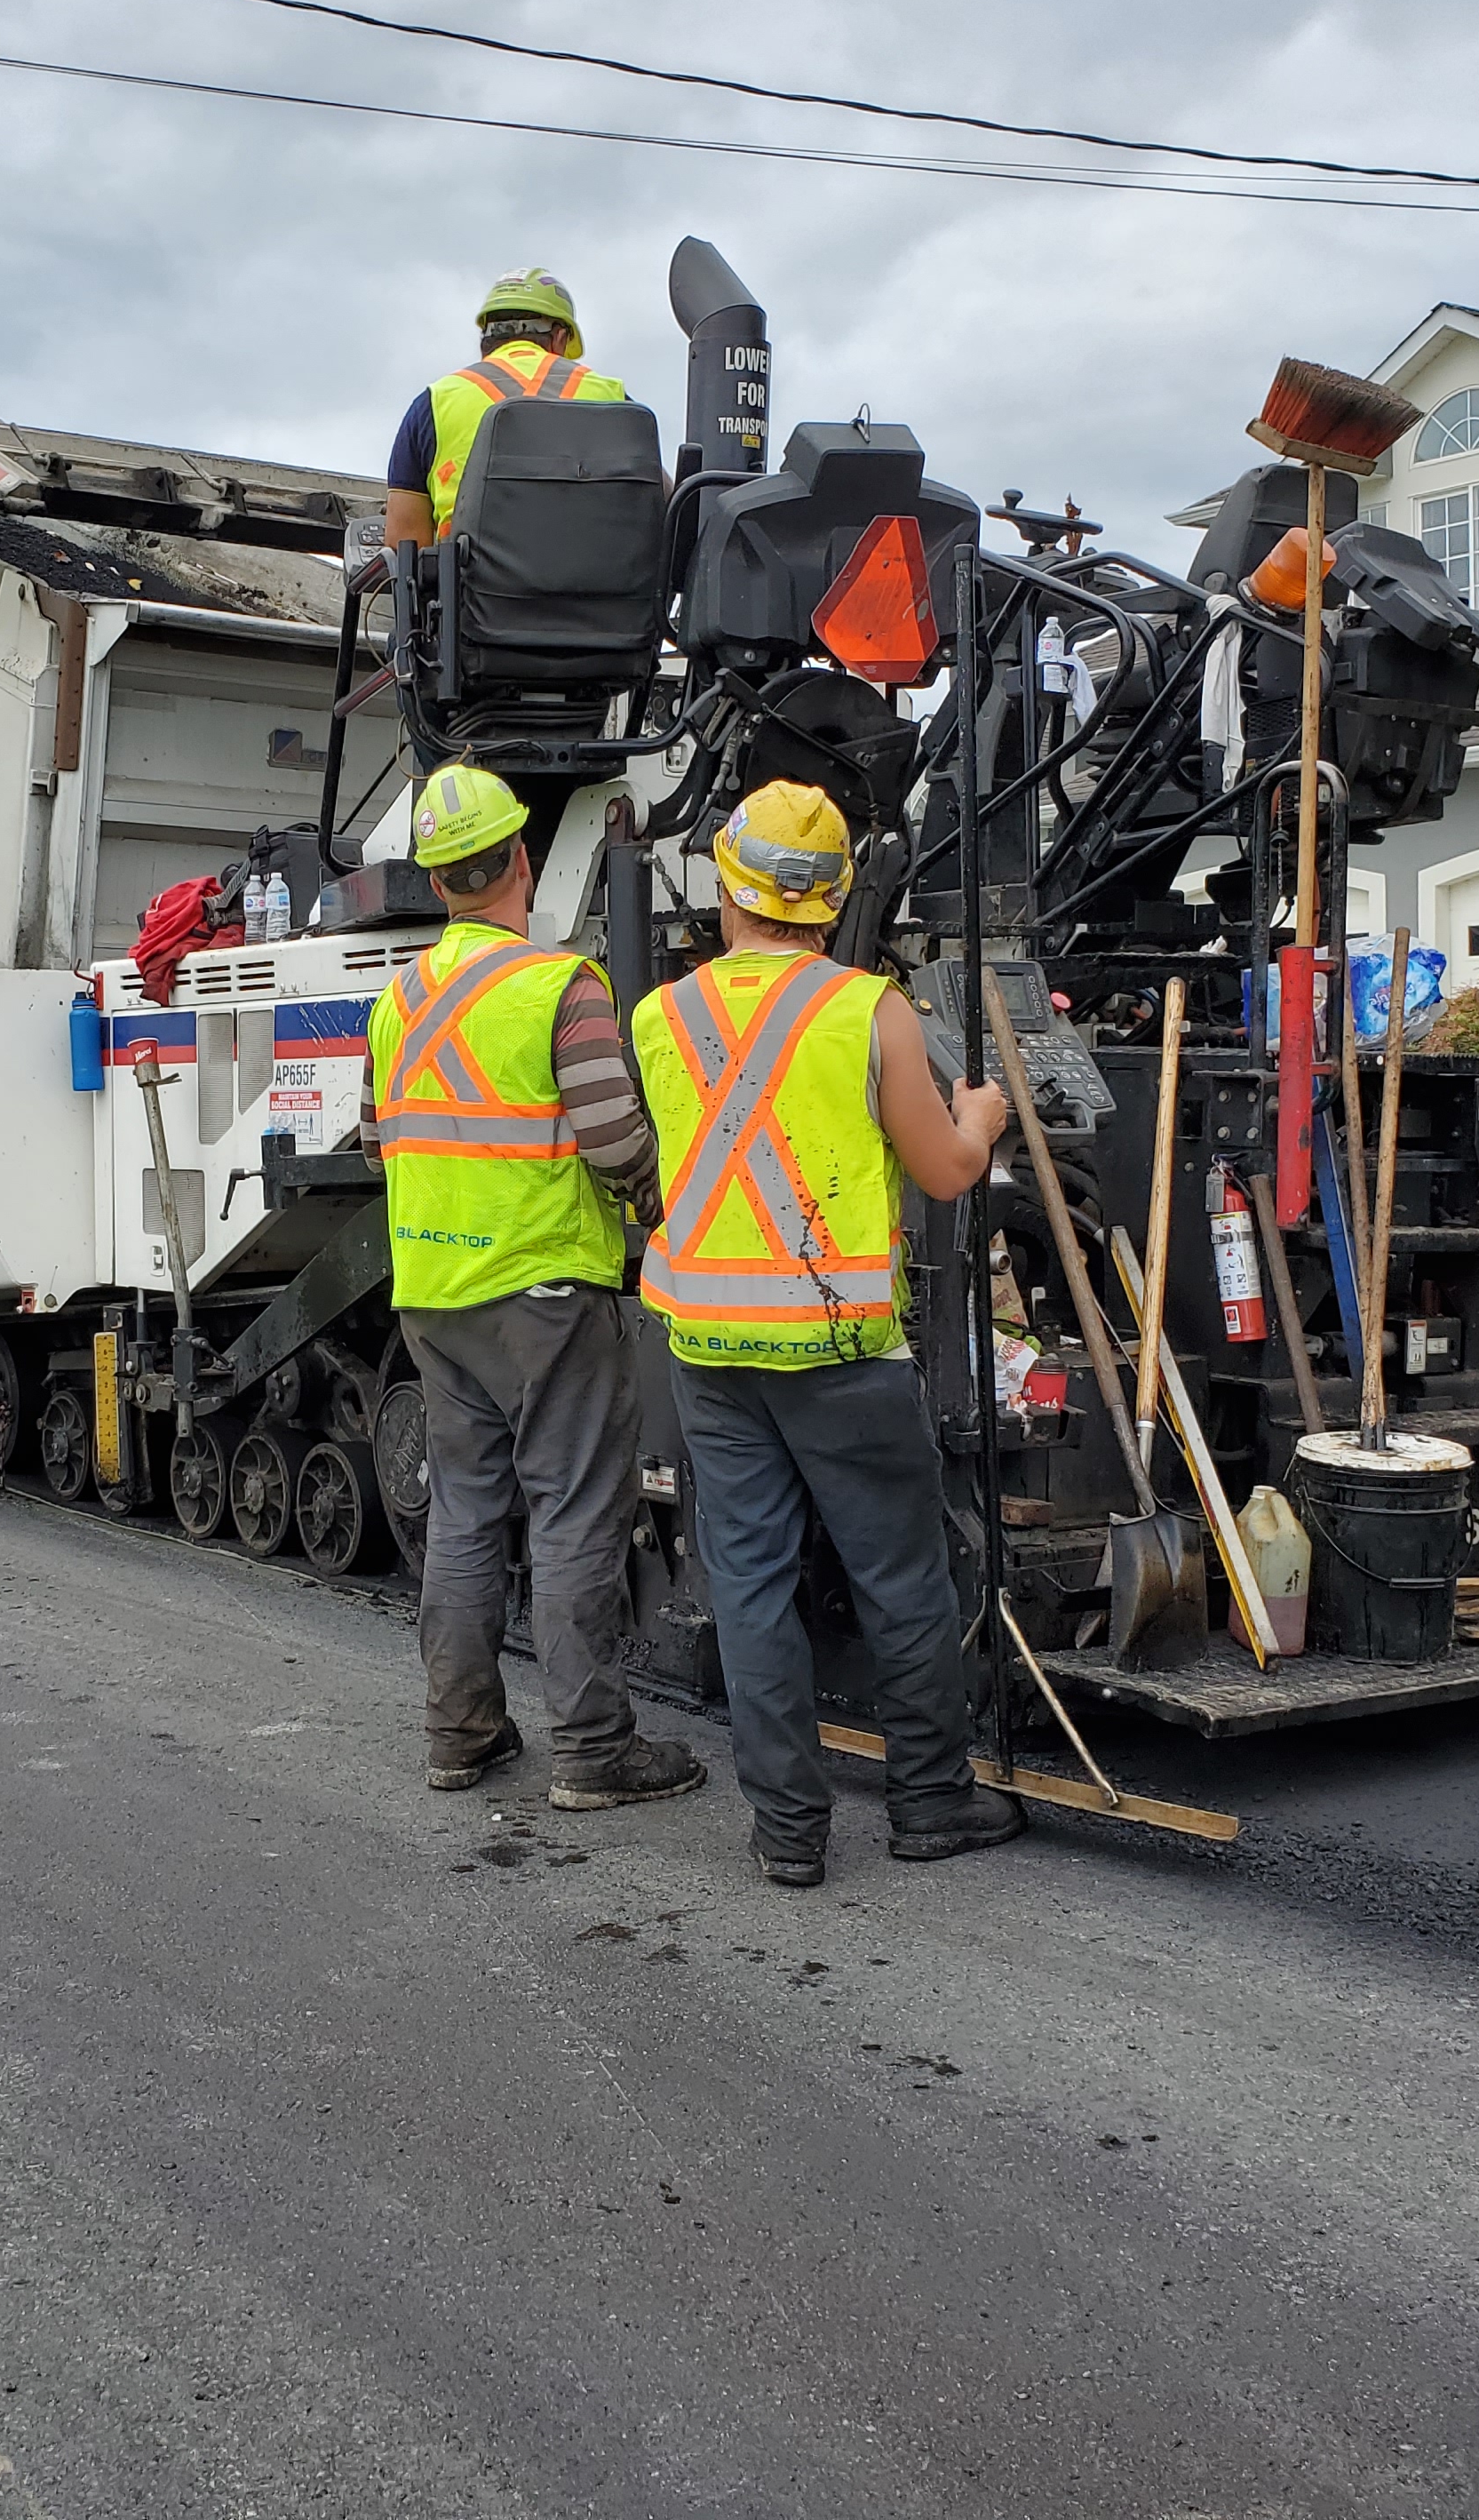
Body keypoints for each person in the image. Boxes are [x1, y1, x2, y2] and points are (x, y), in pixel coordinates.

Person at [630, 781, 1019, 1887]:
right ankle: (931, 1805)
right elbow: (946, 1171)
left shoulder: (664, 1013)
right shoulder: (867, 1008)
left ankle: (789, 1834)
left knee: (749, 1585)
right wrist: (980, 1117)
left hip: (707, 1346)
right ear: (837, 894)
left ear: (724, 883)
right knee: (900, 1577)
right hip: (841, 1351)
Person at [360, 763, 704, 1812]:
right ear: (516, 860)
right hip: (548, 1293)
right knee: (572, 1516)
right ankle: (592, 1751)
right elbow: (611, 1137)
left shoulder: (398, 1000)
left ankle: (458, 1734)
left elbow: (382, 1146)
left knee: (464, 1514)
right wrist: (659, 1205)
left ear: (437, 880)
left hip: (434, 1292)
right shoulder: (561, 986)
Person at [383, 270, 631, 546]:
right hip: (597, 585)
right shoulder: (613, 398)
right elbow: (663, 504)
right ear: (560, 338)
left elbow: (403, 545)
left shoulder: (434, 403)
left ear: (486, 340)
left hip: (469, 587)